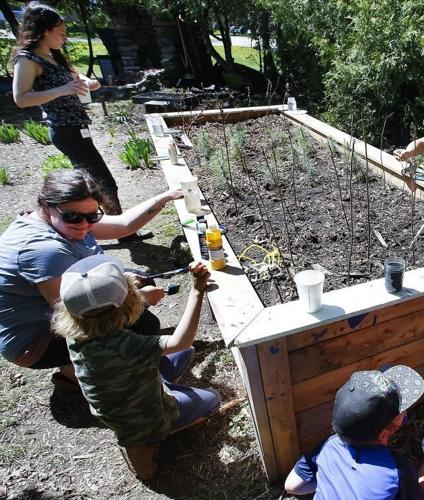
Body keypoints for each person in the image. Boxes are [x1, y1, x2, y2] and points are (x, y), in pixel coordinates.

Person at [0, 170, 183, 385]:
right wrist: (139, 299)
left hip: (53, 312)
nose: (84, 225)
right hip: (36, 343)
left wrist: (166, 196)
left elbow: (124, 225)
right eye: (73, 217)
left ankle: (80, 367)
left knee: (140, 281)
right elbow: (81, 314)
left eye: (93, 216)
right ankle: (104, 377)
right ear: (46, 206)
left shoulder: (62, 220)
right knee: (144, 324)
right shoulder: (45, 251)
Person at [51, 255, 220, 479]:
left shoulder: (75, 333)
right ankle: (146, 443)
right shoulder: (127, 345)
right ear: (129, 301)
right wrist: (197, 291)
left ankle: (164, 393)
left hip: (115, 404)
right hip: (146, 417)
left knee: (186, 354)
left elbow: (101, 311)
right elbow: (182, 340)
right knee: (213, 398)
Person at [11, 2, 143, 234]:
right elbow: (21, 98)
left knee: (93, 182)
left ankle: (86, 226)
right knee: (102, 182)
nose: (65, 38)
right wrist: (63, 90)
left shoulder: (52, 55)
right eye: (61, 33)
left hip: (77, 127)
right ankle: (120, 231)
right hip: (65, 130)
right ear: (45, 31)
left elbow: (74, 75)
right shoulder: (27, 59)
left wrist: (87, 81)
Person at [284, 366, 424, 499]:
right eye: (401, 410)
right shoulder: (397, 469)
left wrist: (331, 481)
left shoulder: (329, 445)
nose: (405, 413)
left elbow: (291, 486)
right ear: (384, 432)